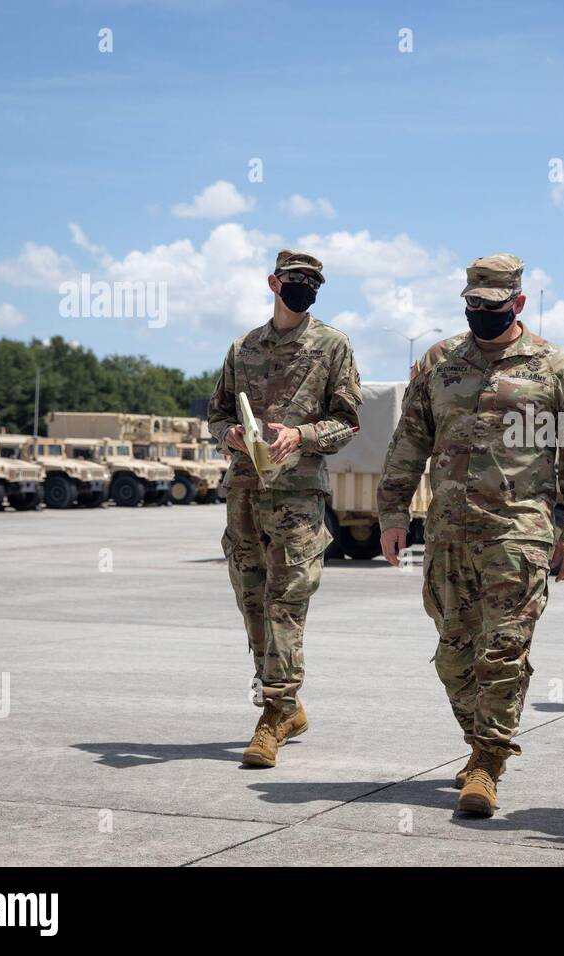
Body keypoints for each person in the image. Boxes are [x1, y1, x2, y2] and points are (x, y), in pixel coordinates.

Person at [376, 253, 564, 818]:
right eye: (472, 304)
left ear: (519, 304)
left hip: (518, 534)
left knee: (502, 651)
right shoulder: (440, 361)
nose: (480, 313)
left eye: (492, 306)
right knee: (455, 656)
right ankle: (479, 739)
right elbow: (409, 442)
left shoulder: (556, 371)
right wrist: (392, 512)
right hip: (449, 533)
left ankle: (488, 759)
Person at [207, 249, 362, 768]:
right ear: (273, 282)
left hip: (298, 497)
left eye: (314, 282)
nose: (305, 288)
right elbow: (217, 415)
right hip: (245, 493)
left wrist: (300, 435)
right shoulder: (242, 348)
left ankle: (275, 711)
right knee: (252, 601)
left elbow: (347, 422)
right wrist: (228, 434)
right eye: (296, 280)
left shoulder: (332, 345)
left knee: (286, 603)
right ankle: (285, 702)